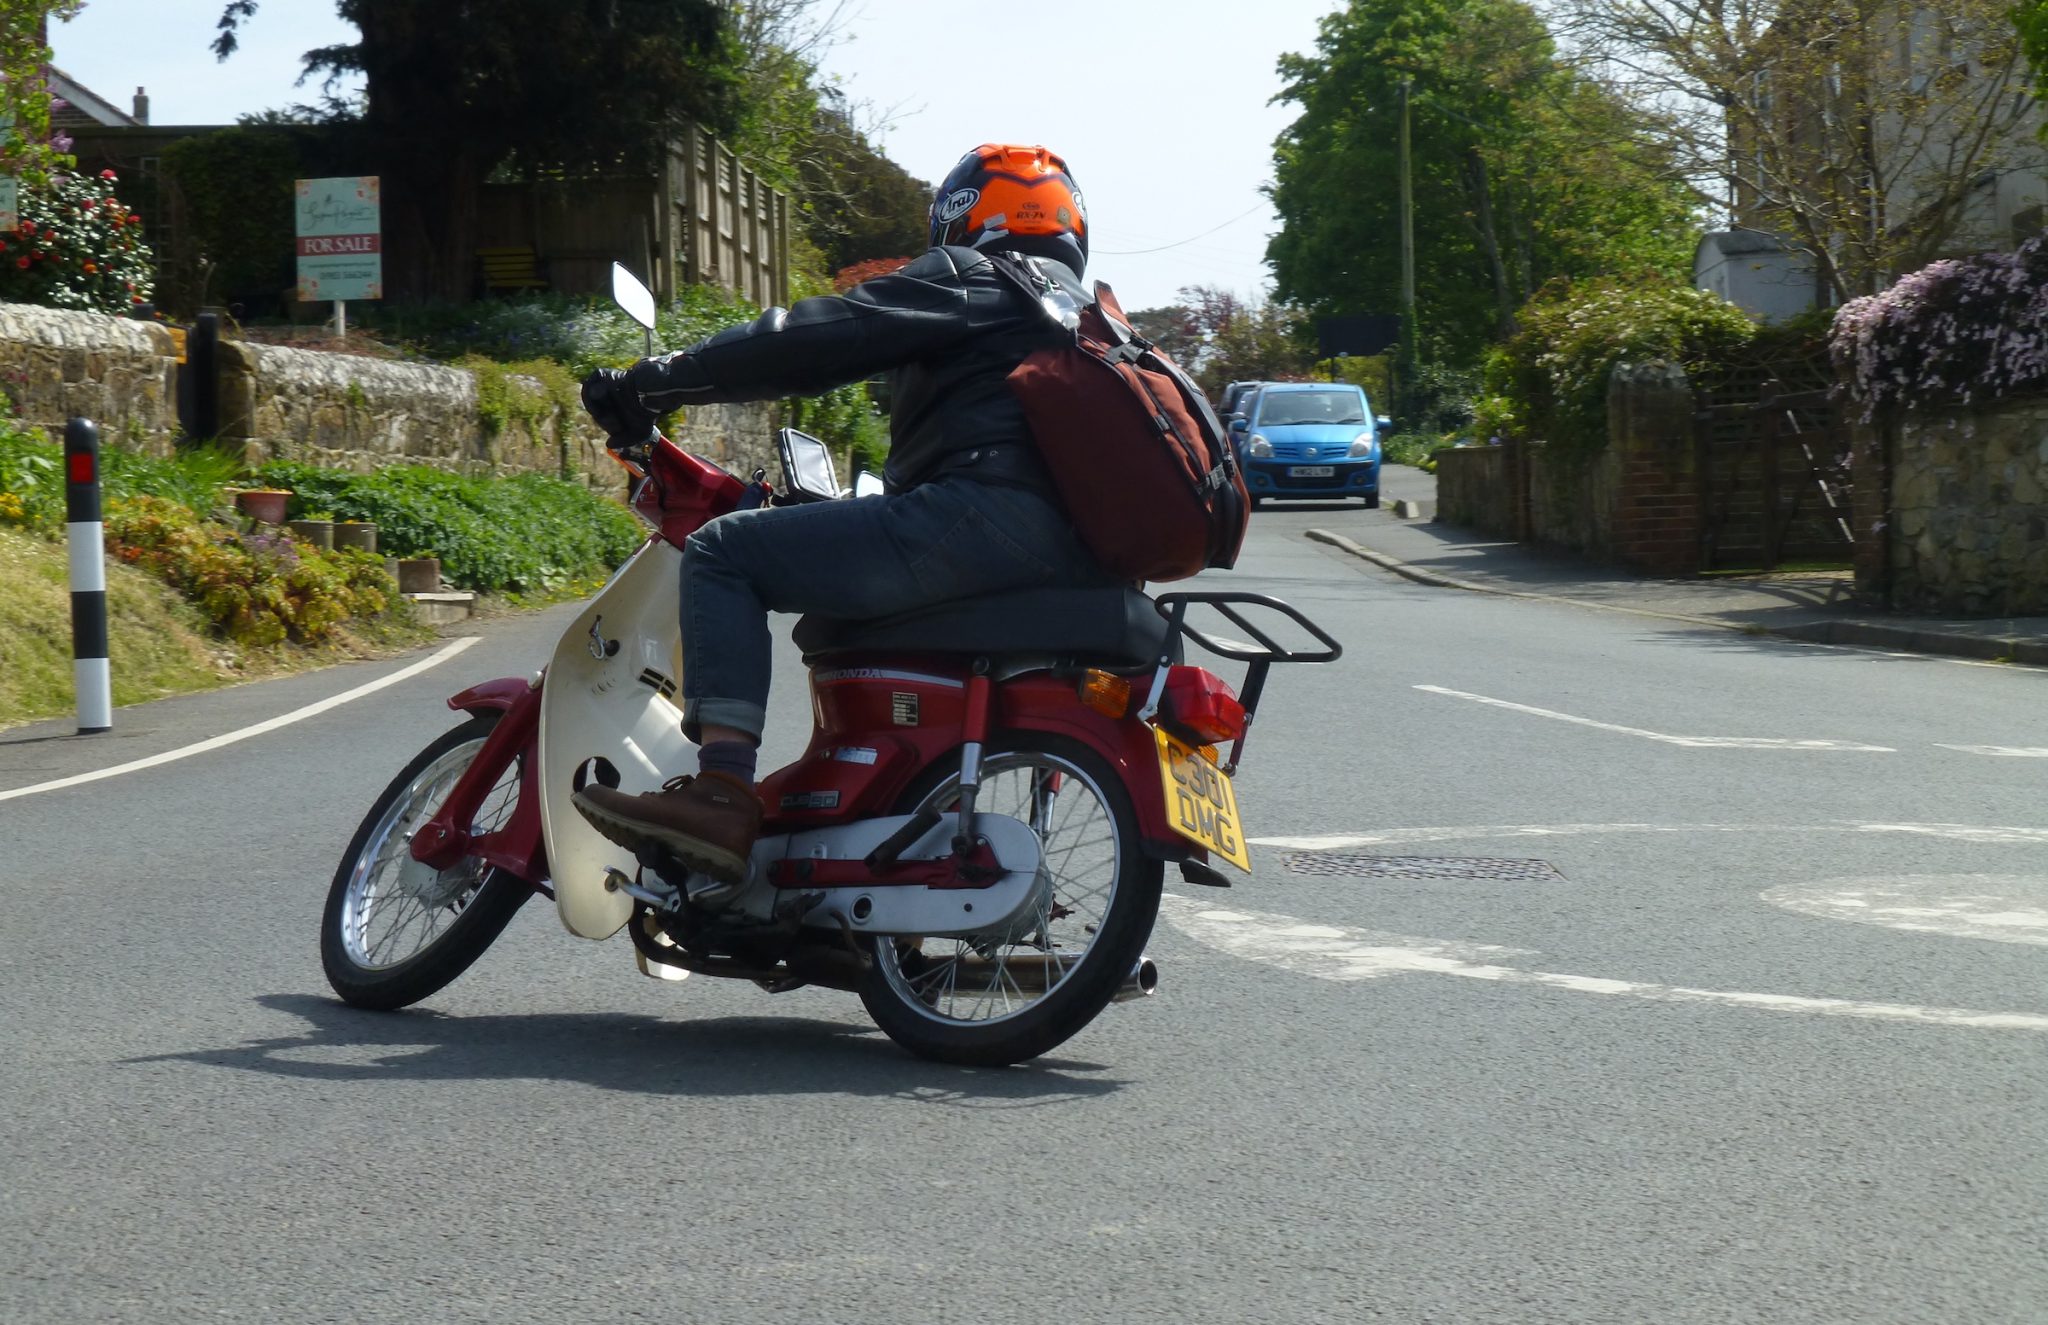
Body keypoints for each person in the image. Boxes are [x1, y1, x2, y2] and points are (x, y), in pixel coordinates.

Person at [572, 142, 1107, 887]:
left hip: (976, 518)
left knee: (726, 552)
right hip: (1077, 556)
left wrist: (661, 382)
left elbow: (818, 338)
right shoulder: (1094, 317)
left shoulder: (979, 275)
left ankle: (722, 790)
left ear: (962, 216)